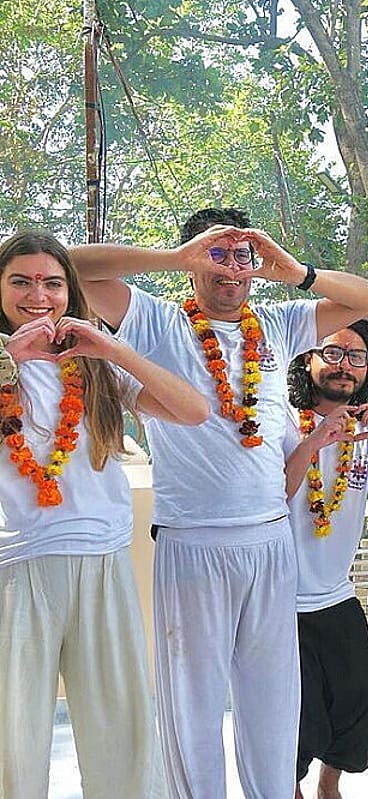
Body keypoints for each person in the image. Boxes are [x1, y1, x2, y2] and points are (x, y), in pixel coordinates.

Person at [70, 208, 368, 799]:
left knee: (273, 699)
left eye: (242, 256)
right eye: (216, 254)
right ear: (194, 261)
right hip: (192, 541)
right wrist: (173, 257)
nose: (231, 269)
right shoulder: (155, 320)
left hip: (269, 541)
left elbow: (364, 299)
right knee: (194, 704)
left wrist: (293, 269)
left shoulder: (279, 321)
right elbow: (77, 269)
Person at [0, 230, 208, 799]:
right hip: (16, 568)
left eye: (51, 282)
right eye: (21, 281)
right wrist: (7, 357)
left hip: (104, 559)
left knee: (123, 738)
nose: (37, 295)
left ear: (69, 291)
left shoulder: (92, 371)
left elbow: (194, 410)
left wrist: (113, 348)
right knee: (11, 743)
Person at [283, 318, 368, 799]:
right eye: (334, 354)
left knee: (362, 696)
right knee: (299, 713)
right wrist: (316, 440)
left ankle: (328, 785)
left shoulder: (365, 437)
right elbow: (273, 495)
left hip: (336, 593)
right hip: (280, 599)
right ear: (308, 360)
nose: (346, 367)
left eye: (357, 357)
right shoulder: (279, 417)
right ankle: (290, 790)